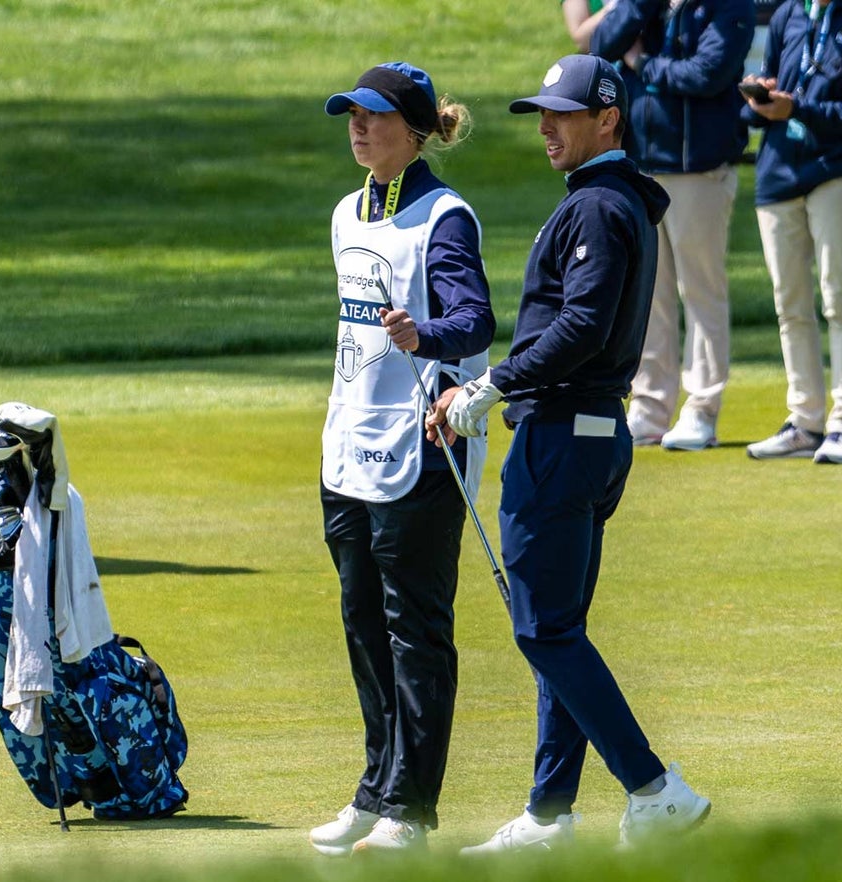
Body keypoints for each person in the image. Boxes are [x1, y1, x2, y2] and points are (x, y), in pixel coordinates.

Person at [427, 54, 710, 853]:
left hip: (561, 438)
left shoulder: (596, 207)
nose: (546, 127)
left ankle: (654, 787)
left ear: (608, 119)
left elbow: (580, 327)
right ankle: (550, 815)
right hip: (590, 435)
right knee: (559, 626)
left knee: (545, 631)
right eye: (541, 114)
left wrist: (488, 389)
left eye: (563, 114)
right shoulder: (613, 199)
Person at [309, 61, 496, 855]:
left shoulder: (443, 216)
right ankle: (377, 787)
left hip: (421, 447)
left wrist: (429, 336)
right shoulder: (345, 213)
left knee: (414, 629)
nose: (358, 126)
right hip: (346, 445)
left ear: (414, 131)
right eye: (351, 114)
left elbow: (476, 321)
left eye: (374, 116)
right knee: (362, 623)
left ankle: (411, 811)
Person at [740, 0, 842, 464]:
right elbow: (771, 84)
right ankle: (805, 421)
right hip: (777, 173)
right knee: (790, 303)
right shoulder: (790, 14)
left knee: (838, 298)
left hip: (836, 171)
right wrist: (762, 98)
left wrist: (797, 108)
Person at [592, 0, 755, 450]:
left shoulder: (727, 6)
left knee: (700, 290)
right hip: (641, 166)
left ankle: (702, 408)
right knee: (651, 293)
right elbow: (602, 47)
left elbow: (707, 75)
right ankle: (649, 406)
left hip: (699, 169)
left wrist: (643, 63)